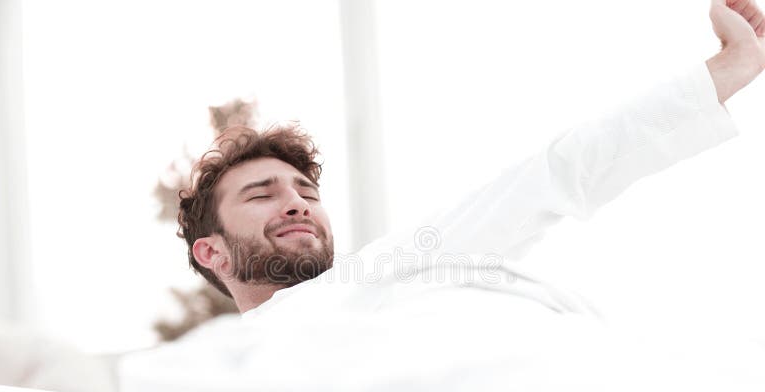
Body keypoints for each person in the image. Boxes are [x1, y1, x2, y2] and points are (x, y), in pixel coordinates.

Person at [178, 0, 764, 321]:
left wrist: (726, 72)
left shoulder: (390, 271)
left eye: (307, 194)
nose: (296, 205)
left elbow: (550, 176)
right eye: (261, 194)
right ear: (212, 251)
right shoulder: (213, 384)